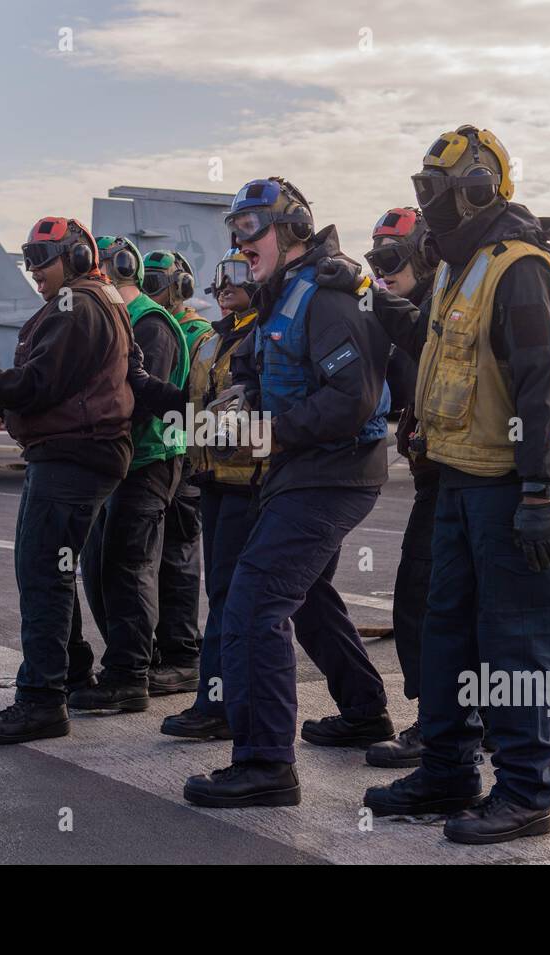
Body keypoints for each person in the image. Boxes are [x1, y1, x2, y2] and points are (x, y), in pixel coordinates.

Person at [357, 126, 550, 843]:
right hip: (460, 478)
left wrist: (540, 492)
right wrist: (356, 287)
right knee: (447, 629)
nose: (426, 210)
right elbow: (427, 337)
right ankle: (449, 768)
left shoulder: (517, 266)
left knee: (517, 640)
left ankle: (525, 791)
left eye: (434, 194)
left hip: (510, 487)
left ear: (477, 190)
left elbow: (539, 384)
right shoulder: (462, 267)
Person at [182, 177, 395, 809]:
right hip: (302, 472)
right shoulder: (284, 294)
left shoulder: (328, 295)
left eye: (252, 229)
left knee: (253, 603)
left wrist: (266, 433)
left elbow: (350, 402)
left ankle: (266, 765)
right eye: (236, 230)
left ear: (292, 228)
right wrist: (244, 392)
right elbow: (263, 364)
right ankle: (363, 711)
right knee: (306, 598)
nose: (240, 243)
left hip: (330, 474)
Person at [0, 217, 134, 743]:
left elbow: (38, 385)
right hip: (84, 453)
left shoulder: (77, 306)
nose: (34, 271)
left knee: (42, 574)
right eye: (29, 259)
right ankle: (66, 675)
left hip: (71, 456)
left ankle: (42, 701)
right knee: (53, 571)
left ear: (77, 256)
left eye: (43, 259)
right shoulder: (102, 301)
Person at [131, 248, 261, 740]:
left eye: (239, 274)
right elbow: (191, 407)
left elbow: (262, 419)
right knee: (222, 594)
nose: (225, 284)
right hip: (211, 478)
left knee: (240, 600)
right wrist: (144, 385)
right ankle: (215, 701)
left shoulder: (264, 336)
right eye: (221, 275)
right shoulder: (215, 341)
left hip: (249, 483)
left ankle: (224, 705)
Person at [69, 236, 189, 714]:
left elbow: (141, 400)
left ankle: (129, 676)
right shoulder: (121, 318)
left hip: (148, 460)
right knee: (101, 567)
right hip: (119, 462)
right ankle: (128, 662)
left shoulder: (150, 324)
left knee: (128, 567)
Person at [360, 208, 441, 769]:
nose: (381, 271)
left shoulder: (444, 309)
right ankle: (451, 719)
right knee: (427, 599)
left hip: (464, 481)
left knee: (426, 601)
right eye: (374, 259)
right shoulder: (420, 313)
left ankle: (440, 726)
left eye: (389, 259)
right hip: (439, 477)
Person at [142, 249, 212, 694]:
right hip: (164, 454)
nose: (152, 292)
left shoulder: (197, 334)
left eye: (157, 284)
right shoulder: (152, 325)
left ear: (181, 288)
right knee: (156, 558)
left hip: (185, 458)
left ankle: (183, 656)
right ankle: (166, 649)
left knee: (178, 558)